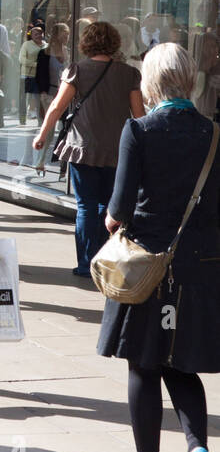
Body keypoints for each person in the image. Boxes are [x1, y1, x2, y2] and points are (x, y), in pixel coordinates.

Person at [96, 43, 218, 452]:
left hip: (146, 269)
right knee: (182, 364)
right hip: (201, 269)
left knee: (144, 366)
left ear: (150, 82)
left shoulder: (139, 130)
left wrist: (113, 221)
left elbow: (117, 212)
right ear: (190, 79)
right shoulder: (214, 134)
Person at [32, 22, 144, 278]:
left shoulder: (77, 70)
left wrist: (42, 135)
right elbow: (139, 116)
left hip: (82, 148)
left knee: (85, 206)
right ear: (114, 43)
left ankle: (85, 264)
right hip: (117, 151)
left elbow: (57, 107)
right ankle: (106, 260)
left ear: (87, 43)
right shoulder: (129, 74)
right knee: (108, 207)